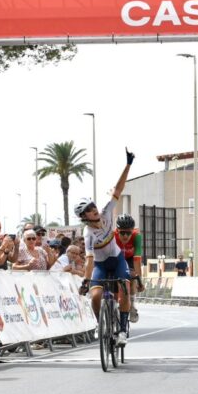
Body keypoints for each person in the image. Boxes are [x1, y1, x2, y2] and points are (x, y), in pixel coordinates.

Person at [76, 148, 134, 346]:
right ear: (85, 217)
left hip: (116, 260)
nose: (94, 211)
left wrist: (128, 165)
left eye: (93, 207)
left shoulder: (107, 211)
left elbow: (118, 189)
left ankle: (123, 329)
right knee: (96, 296)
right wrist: (86, 280)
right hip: (100, 264)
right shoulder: (88, 233)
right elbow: (90, 258)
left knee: (124, 289)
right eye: (90, 211)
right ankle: (100, 323)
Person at [113, 214, 144, 323]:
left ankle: (132, 304)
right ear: (117, 230)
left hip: (130, 259)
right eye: (122, 232)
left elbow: (137, 260)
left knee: (132, 276)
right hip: (116, 259)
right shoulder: (112, 236)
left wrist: (139, 280)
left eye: (128, 233)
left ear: (132, 231)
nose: (125, 236)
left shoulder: (137, 236)